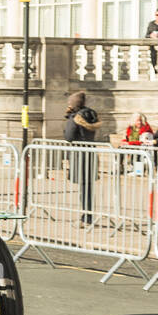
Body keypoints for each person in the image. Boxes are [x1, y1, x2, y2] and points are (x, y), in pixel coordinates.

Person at [62, 91, 102, 225]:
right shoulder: (92, 114)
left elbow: (69, 137)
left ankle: (86, 217)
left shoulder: (75, 117)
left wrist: (69, 121)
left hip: (79, 155)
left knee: (83, 188)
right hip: (90, 153)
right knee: (88, 187)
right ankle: (88, 215)